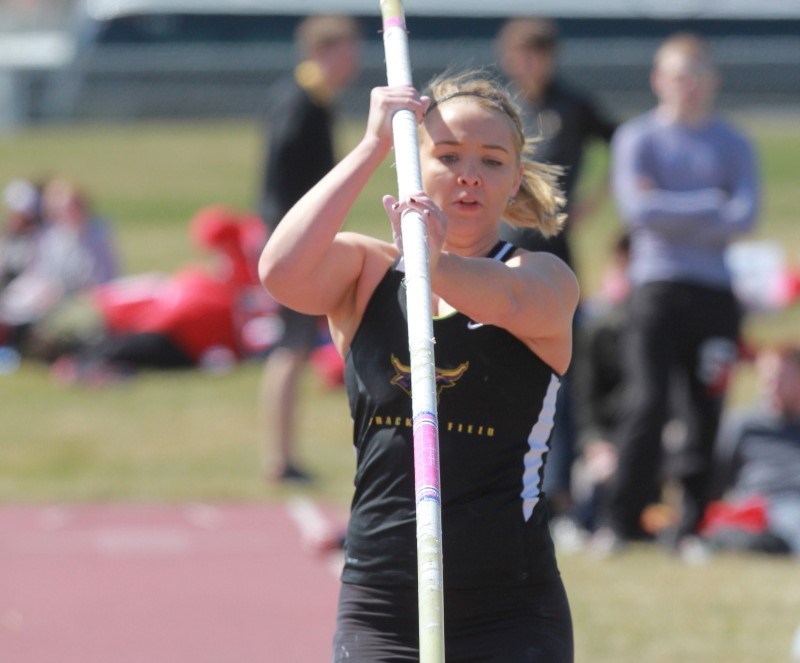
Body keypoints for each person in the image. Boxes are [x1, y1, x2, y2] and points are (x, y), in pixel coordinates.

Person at [259, 69, 579, 662]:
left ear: (513, 181)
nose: (468, 175)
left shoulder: (542, 278)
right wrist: (372, 143)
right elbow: (281, 272)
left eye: (491, 161)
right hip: (381, 603)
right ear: (413, 163)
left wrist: (435, 263)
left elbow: (508, 303)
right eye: (448, 154)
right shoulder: (367, 272)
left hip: (510, 608)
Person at [595, 33, 760, 554]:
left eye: (696, 77)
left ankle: (689, 526)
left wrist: (674, 208)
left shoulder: (734, 143)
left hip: (714, 292)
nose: (687, 88)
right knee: (647, 402)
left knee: (704, 409)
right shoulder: (637, 139)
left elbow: (745, 215)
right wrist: (709, 204)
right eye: (676, 76)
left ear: (711, 81)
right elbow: (638, 213)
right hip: (656, 289)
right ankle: (619, 520)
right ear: (658, 81)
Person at [495, 17, 619, 516]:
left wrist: (592, 203)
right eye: (522, 53)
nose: (530, 64)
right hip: (501, 251)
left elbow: (623, 142)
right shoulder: (502, 108)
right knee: (500, 361)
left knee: (559, 367)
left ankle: (558, 487)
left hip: (555, 251)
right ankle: (501, 477)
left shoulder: (573, 104)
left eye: (539, 53)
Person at [257, 14, 362, 482]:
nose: (354, 62)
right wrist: (293, 241)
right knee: (292, 348)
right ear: (323, 51)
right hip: (293, 244)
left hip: (300, 241)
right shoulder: (299, 104)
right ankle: (279, 457)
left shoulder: (317, 102)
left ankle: (283, 455)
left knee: (296, 348)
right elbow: (280, 182)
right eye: (348, 51)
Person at [700, 345, 800, 557]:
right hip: (765, 505)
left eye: (782, 378)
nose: (771, 386)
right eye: (767, 378)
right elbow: (717, 477)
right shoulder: (743, 424)